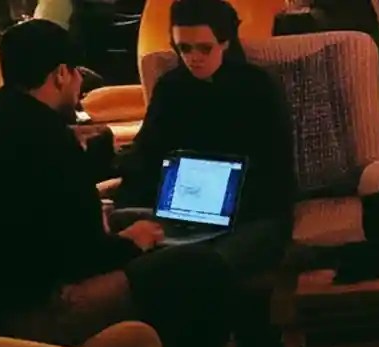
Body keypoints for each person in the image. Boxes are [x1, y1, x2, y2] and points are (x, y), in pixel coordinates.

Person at [0, 19, 232, 347]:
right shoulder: (47, 140)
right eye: (76, 74)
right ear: (61, 74)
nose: (78, 86)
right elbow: (83, 257)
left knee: (141, 228)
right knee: (199, 268)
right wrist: (132, 242)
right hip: (24, 314)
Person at [115, 0, 296, 280]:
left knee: (206, 265)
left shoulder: (257, 87)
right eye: (184, 48)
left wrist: (226, 206)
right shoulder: (170, 88)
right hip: (184, 211)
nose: (194, 57)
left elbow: (278, 170)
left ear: (224, 43)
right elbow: (147, 155)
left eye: (204, 48)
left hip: (253, 213)